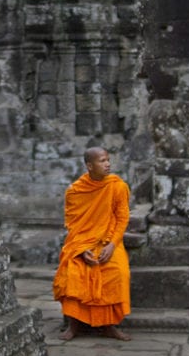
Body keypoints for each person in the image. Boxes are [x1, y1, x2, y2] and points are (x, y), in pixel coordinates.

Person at [52, 146, 131, 341]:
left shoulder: (117, 186)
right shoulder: (75, 191)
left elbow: (122, 219)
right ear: (89, 165)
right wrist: (81, 250)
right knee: (72, 271)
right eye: (102, 161)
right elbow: (73, 224)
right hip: (81, 242)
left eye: (108, 160)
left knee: (118, 271)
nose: (108, 164)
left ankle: (109, 326)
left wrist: (112, 245)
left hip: (109, 239)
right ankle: (73, 326)